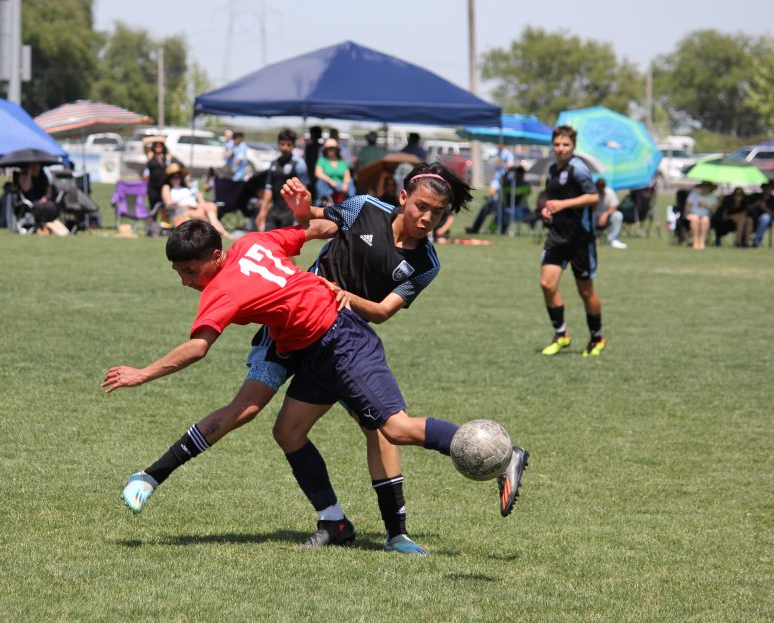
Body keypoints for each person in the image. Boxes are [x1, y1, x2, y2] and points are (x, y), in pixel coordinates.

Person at [117, 166, 529, 553]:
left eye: (435, 213)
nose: (425, 217)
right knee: (284, 428)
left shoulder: (425, 263)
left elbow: (383, 310)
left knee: (389, 430)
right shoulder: (358, 210)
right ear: (404, 197)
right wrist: (304, 211)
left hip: (339, 335)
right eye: (421, 206)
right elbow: (317, 226)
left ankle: (434, 505)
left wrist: (142, 374)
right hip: (295, 335)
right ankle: (333, 522)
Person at [538, 125, 605, 357]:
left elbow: (593, 197)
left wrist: (562, 205)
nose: (560, 148)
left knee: (585, 292)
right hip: (557, 236)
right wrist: (547, 210)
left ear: (573, 146)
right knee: (547, 284)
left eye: (565, 145)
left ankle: (597, 338)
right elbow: (551, 197)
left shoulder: (579, 169)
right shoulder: (552, 169)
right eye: (557, 144)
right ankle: (561, 334)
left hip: (580, 239)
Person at [254, 129, 309, 231]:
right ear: (278, 144)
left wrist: (299, 213)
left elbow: (303, 191)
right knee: (268, 240)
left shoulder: (299, 164)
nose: (285, 148)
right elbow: (268, 188)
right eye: (282, 144)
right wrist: (263, 211)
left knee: (286, 244)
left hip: (290, 212)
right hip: (274, 210)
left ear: (293, 146)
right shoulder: (274, 163)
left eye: (288, 145)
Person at [160, 163, 229, 238]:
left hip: (196, 207)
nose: (177, 179)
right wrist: (186, 206)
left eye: (179, 177)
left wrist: (195, 190)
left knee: (210, 207)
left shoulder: (186, 187)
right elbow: (169, 204)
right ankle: (218, 232)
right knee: (204, 211)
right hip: (182, 210)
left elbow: (200, 199)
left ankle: (219, 232)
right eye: (174, 177)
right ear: (169, 178)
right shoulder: (167, 187)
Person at [467, 143, 516, 234]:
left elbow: (510, 167)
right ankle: (475, 229)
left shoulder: (508, 155)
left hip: (503, 205)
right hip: (497, 199)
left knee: (496, 210)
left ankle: (494, 231)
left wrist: (501, 164)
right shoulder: (499, 153)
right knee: (486, 207)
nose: (497, 145)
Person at [12, 163, 59, 229]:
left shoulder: (43, 176)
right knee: (38, 206)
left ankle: (48, 225)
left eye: (38, 165)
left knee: (51, 206)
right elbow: (26, 189)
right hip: (30, 201)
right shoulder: (23, 175)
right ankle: (39, 225)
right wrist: (29, 174)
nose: (36, 167)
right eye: (34, 165)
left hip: (43, 199)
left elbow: (48, 191)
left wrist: (45, 198)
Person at [314, 138, 353, 204]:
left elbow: (347, 176)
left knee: (350, 182)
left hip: (341, 187)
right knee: (320, 182)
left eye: (333, 148)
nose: (331, 150)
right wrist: (331, 181)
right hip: (327, 187)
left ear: (337, 149)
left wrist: (345, 184)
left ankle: (352, 202)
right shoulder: (322, 160)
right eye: (329, 148)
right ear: (325, 150)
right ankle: (323, 201)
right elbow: (318, 173)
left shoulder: (342, 162)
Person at [593, 177, 626, 249]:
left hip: (607, 216)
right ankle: (592, 238)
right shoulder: (592, 193)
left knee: (618, 215)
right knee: (592, 216)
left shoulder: (610, 192)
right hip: (594, 215)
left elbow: (614, 207)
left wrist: (605, 215)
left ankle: (613, 239)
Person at [142, 140, 174, 210]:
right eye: (156, 146)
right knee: (153, 207)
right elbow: (144, 143)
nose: (158, 147)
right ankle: (153, 221)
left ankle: (164, 221)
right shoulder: (151, 155)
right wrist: (159, 139)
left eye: (160, 146)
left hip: (164, 186)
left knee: (164, 208)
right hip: (153, 186)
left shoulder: (166, 157)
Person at [684, 181, 716, 250]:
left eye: (707, 187)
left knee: (705, 219)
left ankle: (702, 241)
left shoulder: (712, 197)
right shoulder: (694, 194)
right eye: (704, 186)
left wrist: (707, 205)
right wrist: (691, 213)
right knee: (695, 218)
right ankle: (695, 241)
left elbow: (714, 211)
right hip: (693, 214)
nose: (705, 188)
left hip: (705, 216)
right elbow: (687, 208)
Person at [749, 181, 774, 247]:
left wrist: (764, 208)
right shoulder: (755, 196)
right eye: (766, 188)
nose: (767, 190)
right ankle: (743, 241)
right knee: (747, 219)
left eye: (769, 188)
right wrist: (755, 205)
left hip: (766, 221)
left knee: (765, 217)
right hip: (752, 218)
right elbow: (747, 208)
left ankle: (756, 241)